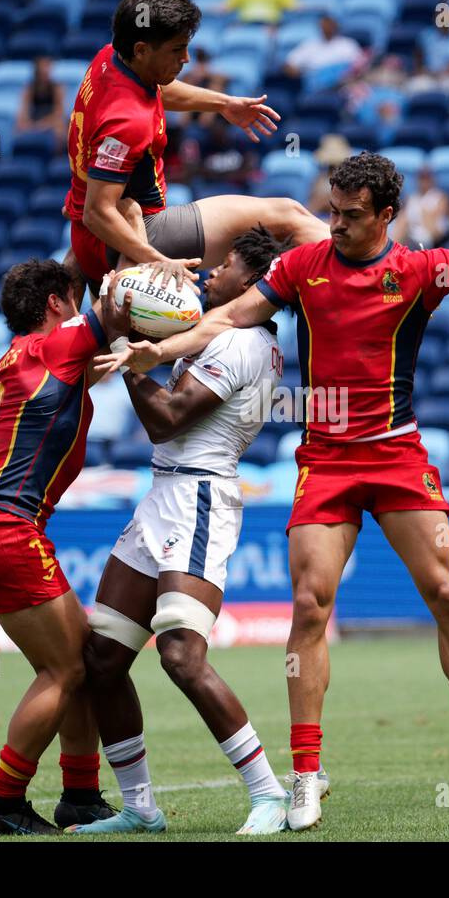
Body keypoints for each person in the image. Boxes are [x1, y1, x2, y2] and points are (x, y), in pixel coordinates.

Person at [97, 151, 449, 831]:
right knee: (309, 606)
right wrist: (156, 353)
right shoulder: (298, 268)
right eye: (331, 211)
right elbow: (228, 318)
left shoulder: (420, 270)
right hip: (327, 461)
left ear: (386, 215)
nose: (333, 224)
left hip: (397, 455)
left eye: (350, 216)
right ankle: (305, 776)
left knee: (448, 594)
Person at [70, 227, 291, 837]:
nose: (210, 273)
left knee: (180, 656)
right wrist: (132, 299)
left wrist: (118, 336)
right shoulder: (224, 333)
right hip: (164, 494)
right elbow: (159, 339)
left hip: (198, 495)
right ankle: (140, 808)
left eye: (224, 268)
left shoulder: (242, 343)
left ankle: (268, 793)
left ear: (252, 283)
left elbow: (166, 420)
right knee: (103, 658)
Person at [0, 258, 133, 836]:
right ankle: (2, 802)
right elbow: (119, 303)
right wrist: (151, 259)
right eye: (71, 299)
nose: (78, 307)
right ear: (56, 304)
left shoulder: (25, 356)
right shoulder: (55, 347)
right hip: (7, 528)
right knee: (65, 669)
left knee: (73, 663)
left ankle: (80, 794)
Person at [64, 0, 329, 297]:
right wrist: (159, 261)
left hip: (91, 234)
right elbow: (99, 212)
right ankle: (380, 272)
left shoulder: (111, 58)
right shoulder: (126, 121)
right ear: (142, 50)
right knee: (288, 215)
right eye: (177, 49)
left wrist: (223, 103)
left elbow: (156, 88)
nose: (187, 59)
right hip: (135, 234)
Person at [283, 14, 364, 84]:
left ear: (335, 26)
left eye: (329, 24)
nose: (327, 27)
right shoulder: (309, 45)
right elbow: (289, 64)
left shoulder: (348, 44)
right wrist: (301, 75)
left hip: (343, 85)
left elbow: (361, 66)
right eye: (324, 25)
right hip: (315, 86)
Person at [390, 167, 449, 250]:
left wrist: (423, 214)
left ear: (432, 179)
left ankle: (391, 251)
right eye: (421, 178)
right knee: (401, 221)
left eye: (427, 178)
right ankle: (391, 249)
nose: (424, 182)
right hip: (411, 233)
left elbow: (436, 228)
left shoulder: (439, 197)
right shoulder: (412, 197)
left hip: (428, 236)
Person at [16, 56, 66, 142]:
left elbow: (59, 113)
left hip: (51, 121)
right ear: (37, 71)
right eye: (42, 68)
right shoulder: (29, 89)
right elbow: (23, 112)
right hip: (34, 120)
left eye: (47, 68)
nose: (45, 71)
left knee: (60, 126)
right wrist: (29, 124)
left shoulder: (57, 88)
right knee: (19, 127)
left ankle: (57, 154)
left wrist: (42, 125)